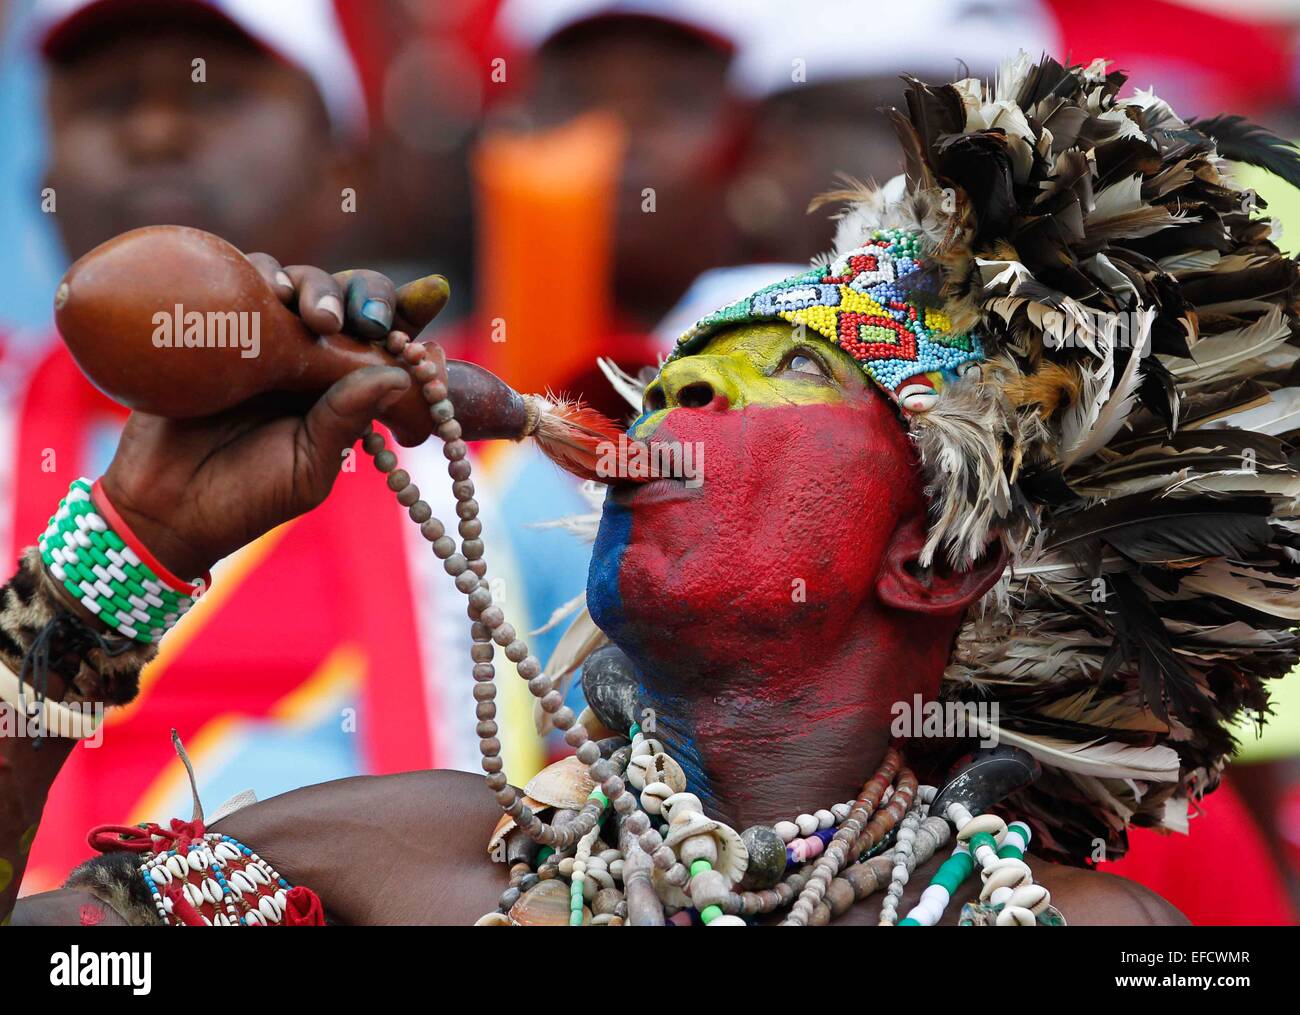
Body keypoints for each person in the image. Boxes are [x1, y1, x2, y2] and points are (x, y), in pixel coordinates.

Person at [5, 52, 1300, 926]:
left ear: (939, 555)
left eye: (782, 370)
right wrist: (122, 550)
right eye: (681, 371)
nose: (674, 398)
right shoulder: (397, 866)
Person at [4, 0, 577, 898]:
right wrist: (129, 544)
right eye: (109, 99)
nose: (155, 130)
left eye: (219, 95)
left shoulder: (505, 469)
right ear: (41, 162)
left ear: (341, 163)